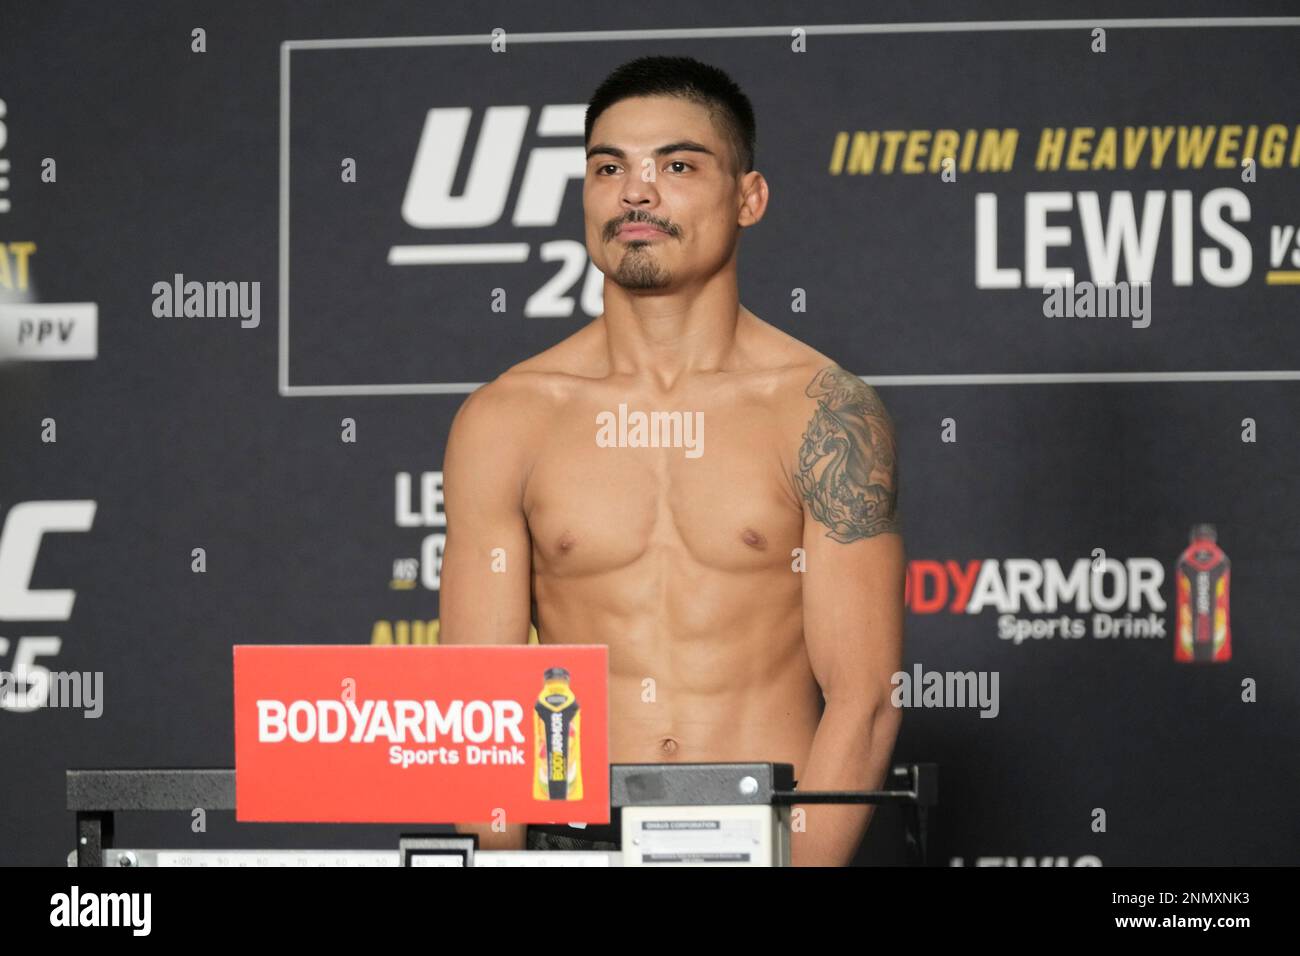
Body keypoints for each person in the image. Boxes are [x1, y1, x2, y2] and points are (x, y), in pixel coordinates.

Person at [439, 55, 904, 866]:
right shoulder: (506, 418)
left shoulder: (824, 412)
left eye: (678, 165)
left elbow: (863, 698)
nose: (635, 191)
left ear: (749, 199)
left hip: (767, 842)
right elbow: (480, 708)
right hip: (570, 845)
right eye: (607, 167)